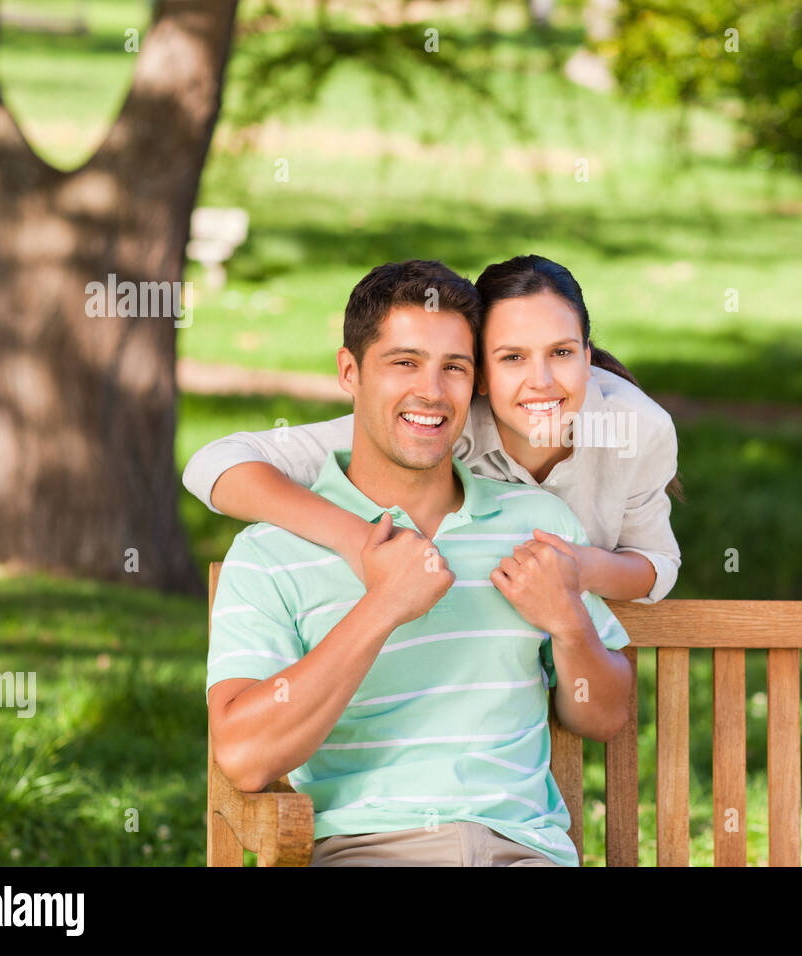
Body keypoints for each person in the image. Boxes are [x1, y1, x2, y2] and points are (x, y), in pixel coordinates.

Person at [206, 260, 633, 867]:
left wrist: (568, 622)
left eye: (453, 368)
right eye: (404, 363)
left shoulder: (538, 523)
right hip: (368, 850)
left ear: (475, 383)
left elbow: (606, 714)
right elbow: (245, 758)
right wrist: (383, 605)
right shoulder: (271, 551)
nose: (431, 391)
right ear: (349, 372)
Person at [182, 254, 682, 605]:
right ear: (480, 373)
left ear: (587, 357)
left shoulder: (638, 428)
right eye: (512, 357)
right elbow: (214, 464)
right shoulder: (440, 420)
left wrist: (578, 571)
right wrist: (359, 541)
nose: (542, 381)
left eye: (563, 352)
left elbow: (655, 560)